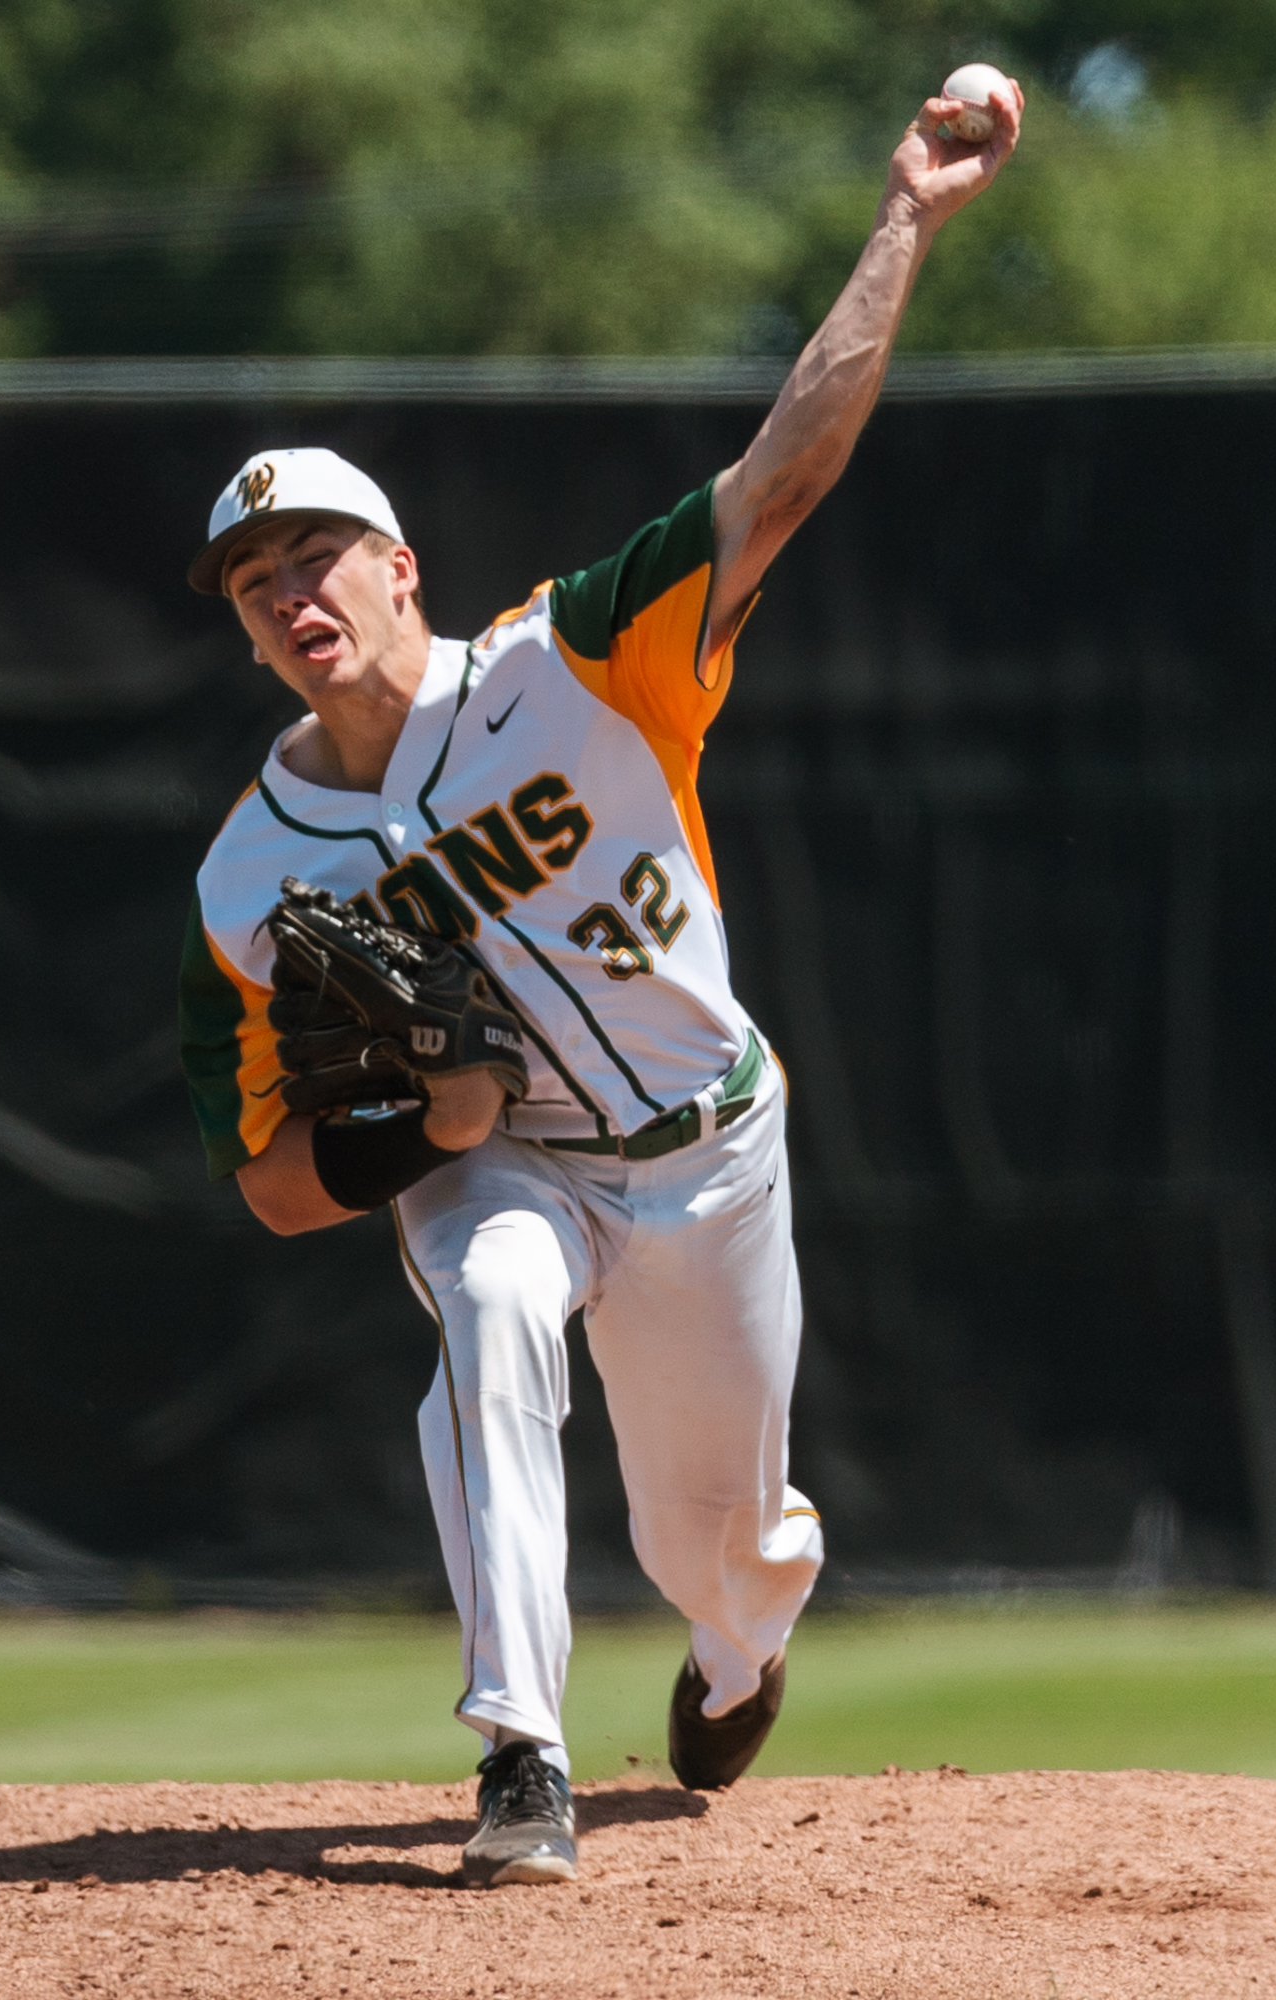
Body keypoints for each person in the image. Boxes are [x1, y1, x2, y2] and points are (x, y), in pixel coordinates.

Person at [178, 78, 1021, 1888]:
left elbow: (781, 477)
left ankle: (740, 1648)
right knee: (489, 1305)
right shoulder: (246, 880)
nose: (290, 593)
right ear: (245, 633)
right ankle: (524, 1759)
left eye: (317, 554)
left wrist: (905, 219)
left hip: (709, 1153)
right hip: (504, 1167)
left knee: (719, 1541)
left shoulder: (570, 663)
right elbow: (269, 1185)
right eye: (254, 583)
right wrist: (430, 1129)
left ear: (401, 569)